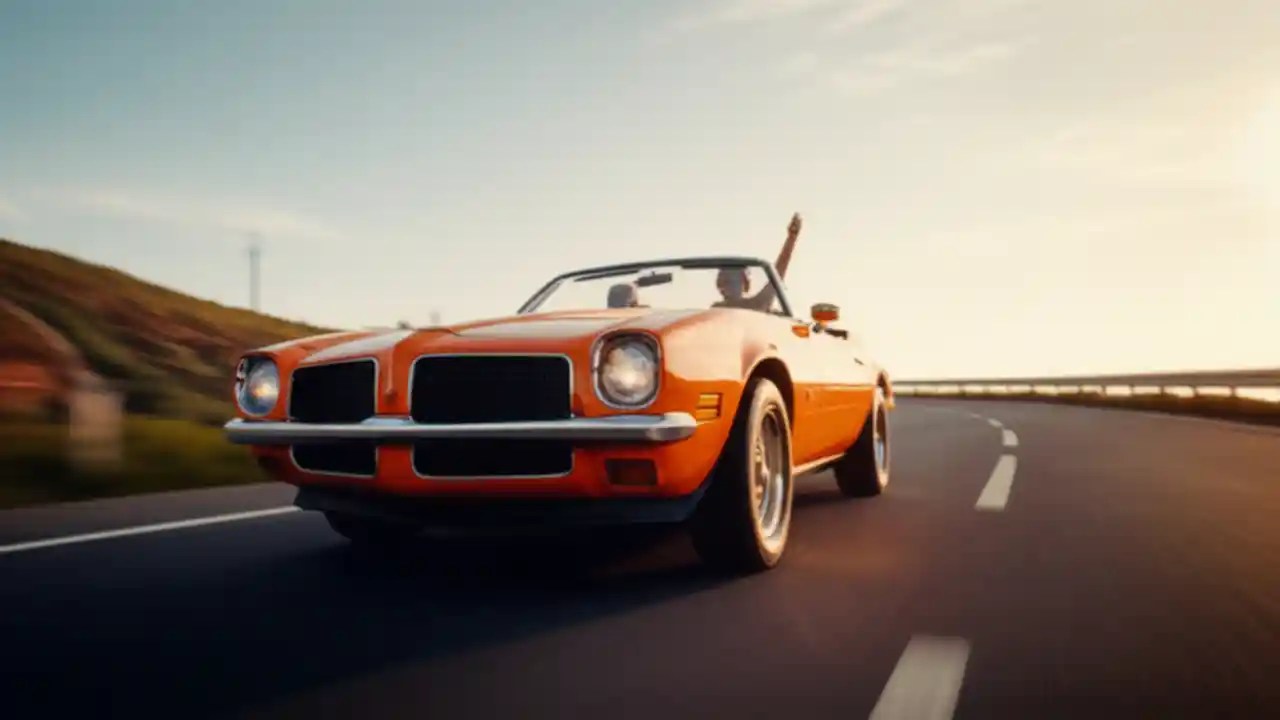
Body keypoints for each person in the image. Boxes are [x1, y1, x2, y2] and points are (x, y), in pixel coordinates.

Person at [712, 212, 802, 312]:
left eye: (731, 279)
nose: (725, 283)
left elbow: (777, 276)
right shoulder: (715, 310)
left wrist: (791, 238)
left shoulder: (757, 304)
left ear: (745, 281)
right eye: (724, 279)